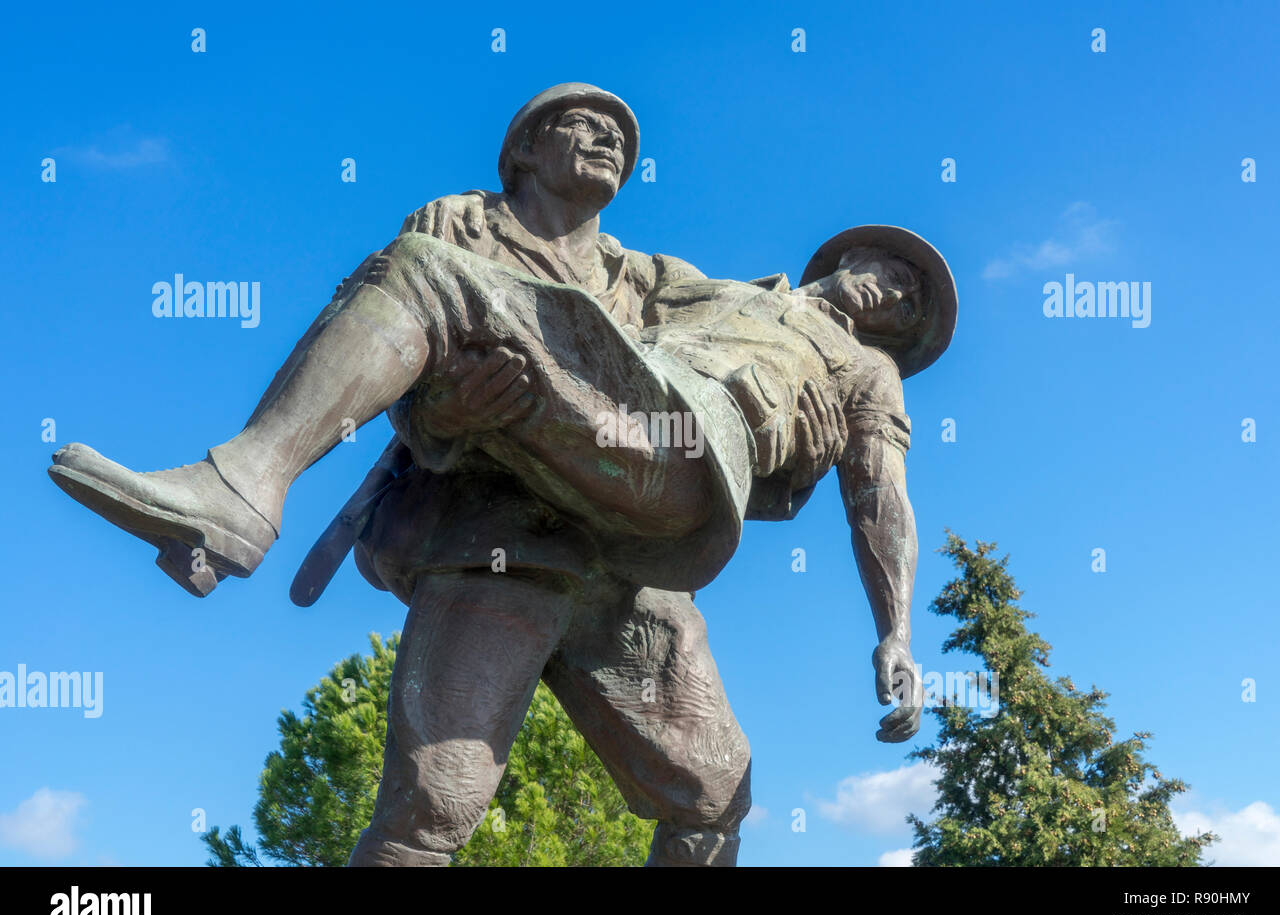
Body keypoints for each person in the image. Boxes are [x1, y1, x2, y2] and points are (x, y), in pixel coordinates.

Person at [47, 83, 954, 866]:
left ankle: (238, 493)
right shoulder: (691, 281)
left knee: (716, 792)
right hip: (504, 536)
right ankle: (236, 495)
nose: (898, 292)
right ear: (842, 256)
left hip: (646, 517)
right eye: (891, 267)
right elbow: (427, 361)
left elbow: (883, 501)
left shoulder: (852, 369)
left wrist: (895, 634)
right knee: (446, 804)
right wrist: (446, 414)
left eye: (913, 300)